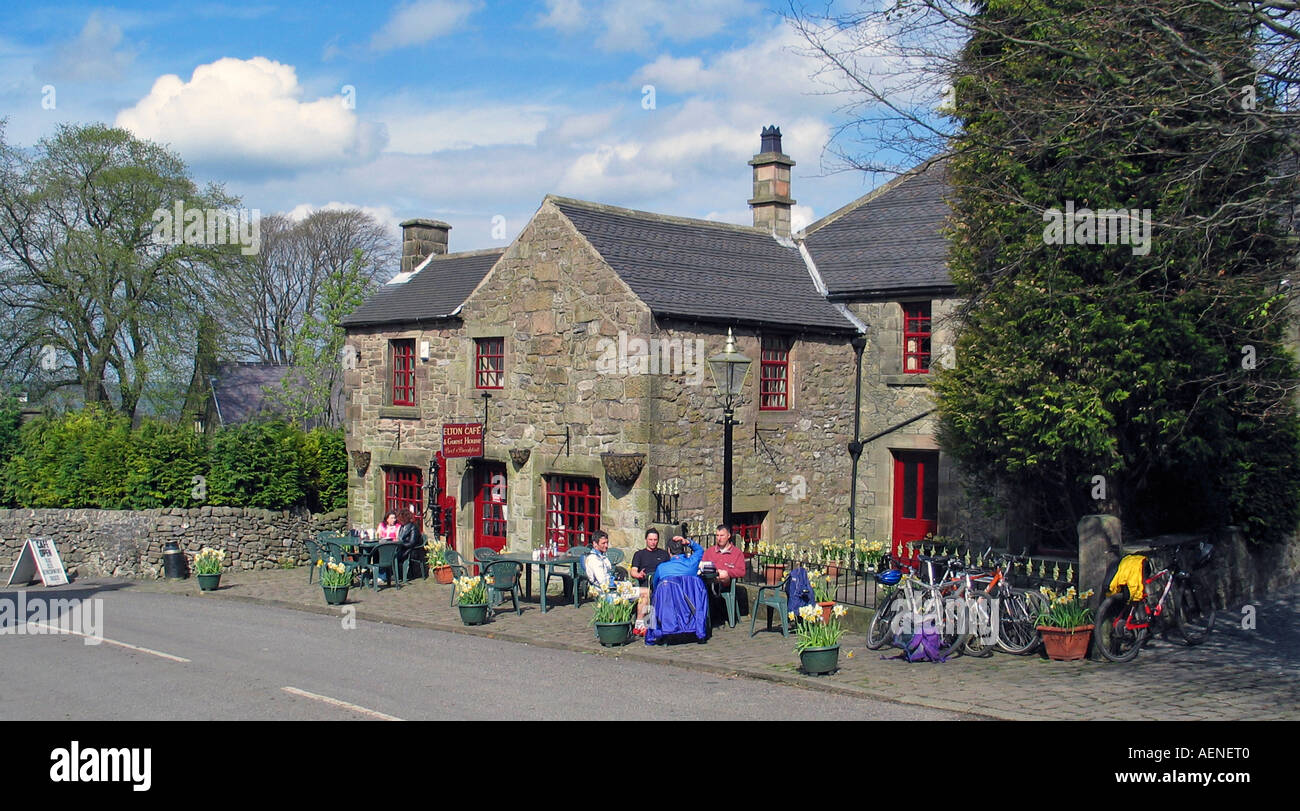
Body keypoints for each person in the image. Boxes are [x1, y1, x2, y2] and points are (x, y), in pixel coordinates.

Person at [630, 529, 670, 635]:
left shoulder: (664, 554)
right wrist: (639, 575)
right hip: (645, 584)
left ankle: (647, 625)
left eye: (655, 540)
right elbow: (633, 571)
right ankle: (642, 625)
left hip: (661, 585)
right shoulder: (639, 554)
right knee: (646, 594)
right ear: (646, 540)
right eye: (650, 539)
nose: (653, 542)